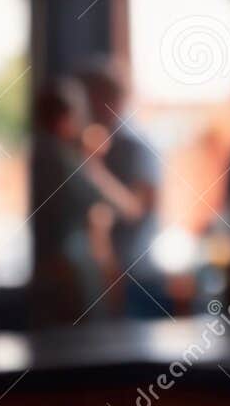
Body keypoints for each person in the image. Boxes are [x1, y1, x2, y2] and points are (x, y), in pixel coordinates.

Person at [30, 78, 144, 325]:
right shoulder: (64, 159)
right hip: (75, 277)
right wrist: (92, 161)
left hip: (49, 275)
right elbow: (129, 208)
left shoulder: (39, 153)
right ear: (66, 117)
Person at [80, 61, 166, 316]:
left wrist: (93, 167)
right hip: (99, 277)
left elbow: (137, 208)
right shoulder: (90, 141)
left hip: (135, 276)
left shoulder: (135, 145)